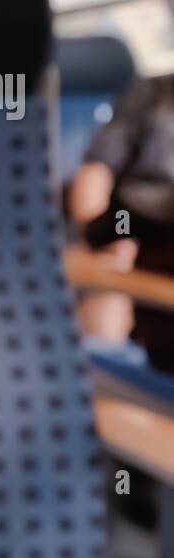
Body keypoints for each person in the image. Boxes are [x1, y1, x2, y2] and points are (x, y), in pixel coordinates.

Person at [71, 73, 174, 372]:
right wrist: (112, 242)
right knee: (112, 275)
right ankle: (106, 373)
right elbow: (96, 173)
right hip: (129, 219)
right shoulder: (151, 94)